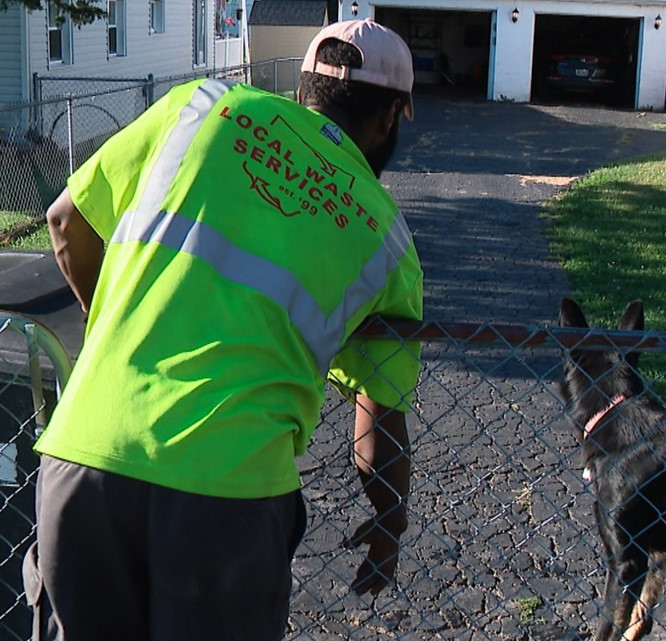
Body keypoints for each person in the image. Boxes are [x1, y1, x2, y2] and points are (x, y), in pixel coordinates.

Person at [23, 19, 423, 641]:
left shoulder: (204, 105)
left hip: (84, 457)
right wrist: (390, 521)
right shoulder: (388, 239)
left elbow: (65, 221)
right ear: (390, 118)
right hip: (228, 500)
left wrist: (110, 329)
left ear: (304, 90)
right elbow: (378, 427)